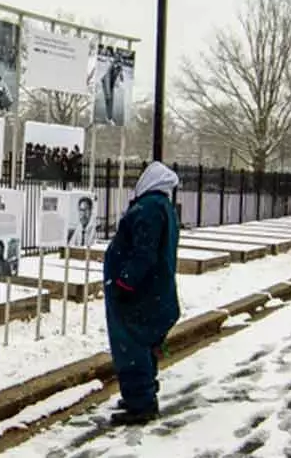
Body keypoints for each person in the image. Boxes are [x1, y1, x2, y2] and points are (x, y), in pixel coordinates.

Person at [103, 161, 180, 426]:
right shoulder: (162, 207)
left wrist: (125, 283)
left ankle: (141, 404)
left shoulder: (148, 208)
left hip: (138, 295)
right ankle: (141, 394)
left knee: (131, 347)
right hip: (153, 292)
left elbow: (143, 252)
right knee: (145, 345)